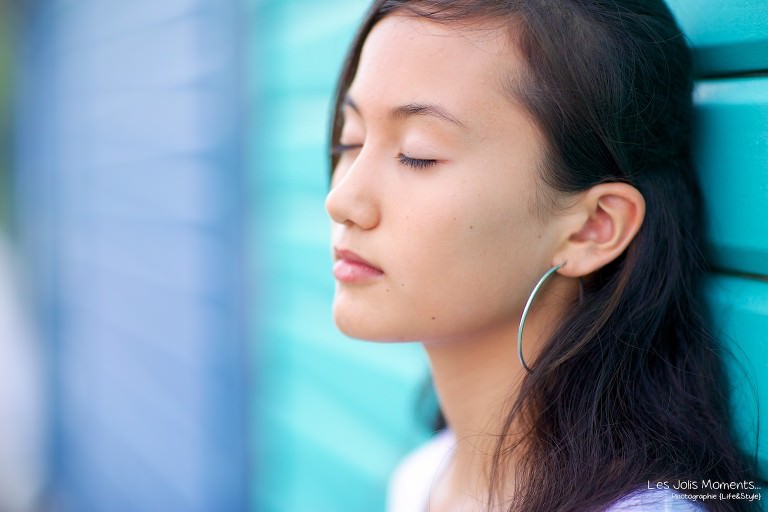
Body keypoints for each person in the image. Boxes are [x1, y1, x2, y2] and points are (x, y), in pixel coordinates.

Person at [324, 1, 761, 510]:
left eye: (418, 154)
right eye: (349, 142)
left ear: (593, 229)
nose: (342, 200)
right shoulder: (420, 480)